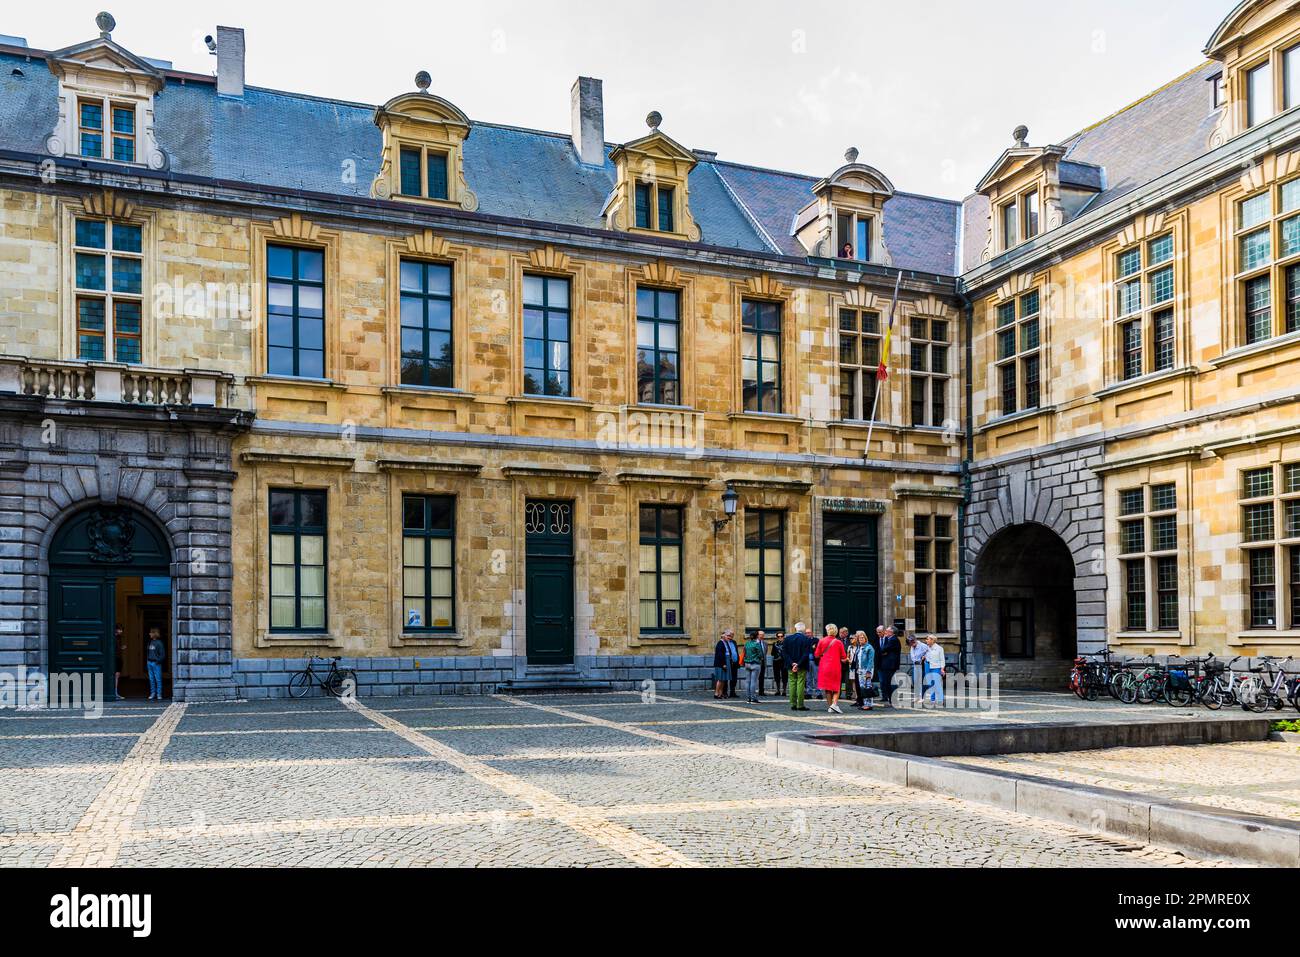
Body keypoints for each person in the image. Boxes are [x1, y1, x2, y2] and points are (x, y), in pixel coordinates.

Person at [814, 623, 849, 714]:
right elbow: (843, 657)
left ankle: (830, 707)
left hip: (824, 667)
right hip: (835, 666)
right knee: (836, 687)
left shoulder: (821, 641)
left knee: (828, 687)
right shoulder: (838, 642)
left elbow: (816, 655)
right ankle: (834, 704)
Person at [784, 623, 813, 712]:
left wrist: (792, 663)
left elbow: (785, 653)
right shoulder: (806, 639)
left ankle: (793, 704)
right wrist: (798, 664)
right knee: (800, 683)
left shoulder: (788, 639)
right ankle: (800, 705)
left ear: (795, 629)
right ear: (803, 630)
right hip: (802, 665)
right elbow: (805, 654)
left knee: (792, 683)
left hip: (790, 665)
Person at [876, 625, 901, 708]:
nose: (885, 632)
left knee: (890, 683)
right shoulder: (889, 639)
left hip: (890, 665)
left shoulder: (893, 640)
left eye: (887, 630)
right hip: (887, 665)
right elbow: (883, 651)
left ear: (891, 632)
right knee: (887, 683)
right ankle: (891, 700)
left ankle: (893, 700)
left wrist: (883, 652)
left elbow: (883, 649)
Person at [853, 631, 876, 710]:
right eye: (860, 638)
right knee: (862, 687)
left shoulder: (869, 647)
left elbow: (870, 660)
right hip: (860, 670)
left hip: (867, 670)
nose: (861, 639)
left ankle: (869, 704)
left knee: (868, 687)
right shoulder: (859, 648)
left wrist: (869, 671)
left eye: (862, 638)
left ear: (866, 639)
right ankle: (865, 703)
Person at [923, 634, 946, 705]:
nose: (926, 640)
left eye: (928, 639)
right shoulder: (926, 648)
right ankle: (932, 699)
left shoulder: (939, 648)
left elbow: (942, 659)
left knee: (937, 683)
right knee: (930, 683)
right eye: (926, 639)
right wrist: (923, 657)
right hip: (927, 666)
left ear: (932, 640)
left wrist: (942, 669)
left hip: (936, 667)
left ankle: (940, 699)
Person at [712, 629, 736, 699]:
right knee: (720, 679)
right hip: (721, 663)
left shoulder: (726, 642)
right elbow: (720, 655)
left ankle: (720, 693)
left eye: (731, 636)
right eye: (728, 636)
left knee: (724, 679)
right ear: (723, 636)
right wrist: (723, 664)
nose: (730, 637)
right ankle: (716, 694)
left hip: (727, 661)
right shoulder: (720, 643)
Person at [744, 630, 766, 704]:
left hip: (747, 663)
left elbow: (745, 652)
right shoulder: (757, 644)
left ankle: (748, 698)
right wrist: (761, 658)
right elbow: (760, 654)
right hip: (755, 663)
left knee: (748, 681)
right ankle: (753, 698)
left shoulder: (746, 644)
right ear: (757, 636)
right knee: (753, 681)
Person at [145, 628, 165, 701]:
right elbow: (148, 652)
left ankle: (159, 694)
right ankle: (153, 693)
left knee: (158, 679)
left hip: (156, 663)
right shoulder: (150, 642)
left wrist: (157, 661)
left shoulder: (159, 643)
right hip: (149, 662)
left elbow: (162, 655)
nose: (149, 634)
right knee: (151, 679)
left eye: (150, 633)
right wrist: (148, 661)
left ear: (154, 634)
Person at [908, 634, 927, 705]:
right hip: (915, 665)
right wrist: (915, 660)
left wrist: (924, 657)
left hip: (922, 665)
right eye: (910, 644)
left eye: (912, 643)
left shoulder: (923, 646)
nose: (911, 646)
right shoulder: (912, 647)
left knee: (921, 681)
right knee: (915, 681)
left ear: (914, 641)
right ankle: (917, 696)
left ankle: (922, 697)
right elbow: (912, 655)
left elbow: (928, 652)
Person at [838, 626, 853, 700]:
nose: (841, 634)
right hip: (839, 663)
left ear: (846, 633)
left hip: (848, 663)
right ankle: (838, 693)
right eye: (840, 632)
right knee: (838, 680)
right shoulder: (837, 640)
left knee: (848, 680)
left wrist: (848, 659)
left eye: (843, 632)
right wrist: (841, 659)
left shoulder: (850, 641)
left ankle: (848, 694)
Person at [771, 632, 787, 697]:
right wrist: (777, 654)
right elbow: (772, 653)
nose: (780, 638)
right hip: (776, 661)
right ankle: (777, 690)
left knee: (784, 676)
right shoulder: (774, 644)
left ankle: (784, 691)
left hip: (784, 661)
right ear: (777, 637)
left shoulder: (786, 644)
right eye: (778, 636)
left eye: (781, 636)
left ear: (783, 637)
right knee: (776, 676)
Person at [726, 630, 741, 698]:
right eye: (729, 635)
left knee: (734, 679)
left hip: (735, 663)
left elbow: (736, 652)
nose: (730, 637)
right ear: (726, 635)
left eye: (732, 635)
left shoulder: (734, 642)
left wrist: (738, 661)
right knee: (726, 678)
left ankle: (732, 692)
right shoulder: (724, 642)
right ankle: (725, 693)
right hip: (727, 663)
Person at [113, 624, 125, 698]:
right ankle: (114, 693)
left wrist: (121, 648)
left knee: (117, 676)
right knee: (115, 676)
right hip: (115, 658)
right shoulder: (112, 638)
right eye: (120, 629)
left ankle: (115, 692)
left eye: (122, 629)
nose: (121, 631)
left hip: (118, 658)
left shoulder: (119, 638)